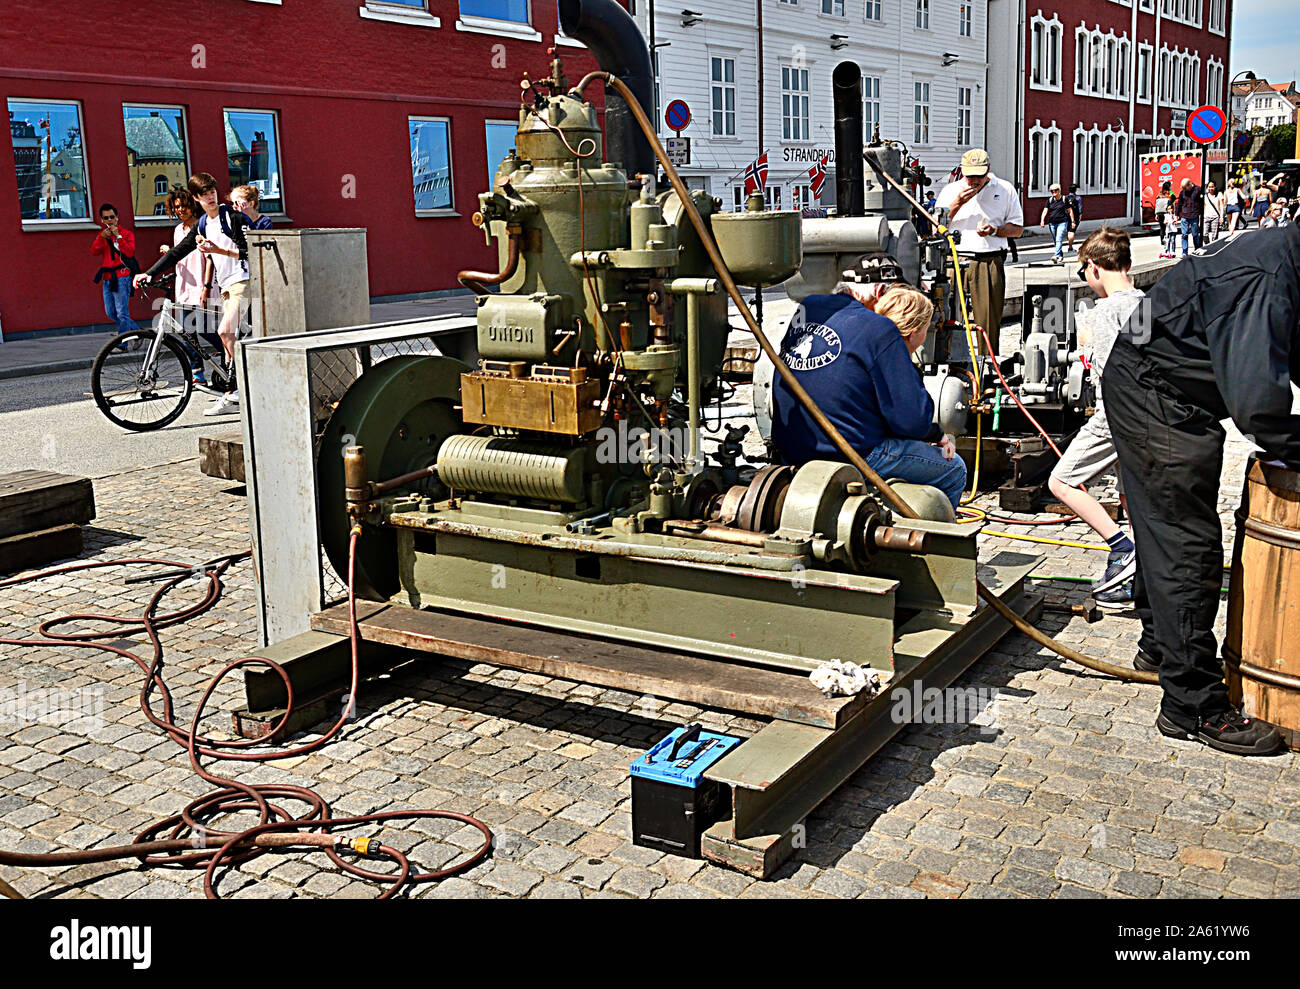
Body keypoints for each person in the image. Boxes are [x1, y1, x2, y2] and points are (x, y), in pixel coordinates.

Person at [1102, 226, 1300, 757]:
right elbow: (1259, 407)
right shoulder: (1269, 276)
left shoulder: (1282, 253)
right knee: (1185, 543)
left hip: (1151, 373)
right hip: (1155, 391)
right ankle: (1193, 706)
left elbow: (1284, 344)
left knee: (1163, 529)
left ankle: (1157, 645)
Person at [771, 284, 967, 509]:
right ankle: (934, 537)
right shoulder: (881, 330)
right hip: (851, 455)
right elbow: (912, 420)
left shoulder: (810, 307)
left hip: (791, 447)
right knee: (954, 471)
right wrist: (935, 433)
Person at [1046, 228, 1144, 609]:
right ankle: (1137, 569)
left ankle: (1121, 548)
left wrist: (1086, 346)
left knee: (1063, 482)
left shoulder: (1103, 313)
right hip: (1143, 416)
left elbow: (1107, 373)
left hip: (1113, 414)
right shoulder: (1144, 303)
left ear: (1093, 268)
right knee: (1128, 491)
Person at [137, 172, 254, 416]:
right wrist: (149, 273)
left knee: (224, 331)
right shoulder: (203, 225)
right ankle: (234, 391)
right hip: (225, 286)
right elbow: (177, 252)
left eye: (212, 192)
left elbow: (250, 252)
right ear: (196, 198)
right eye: (204, 194)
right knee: (227, 338)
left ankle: (240, 390)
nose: (210, 197)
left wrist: (218, 250)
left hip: (243, 281)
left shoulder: (233, 217)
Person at [935, 149, 1024, 354]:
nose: (974, 180)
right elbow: (935, 225)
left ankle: (987, 364)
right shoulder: (951, 190)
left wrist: (995, 230)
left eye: (979, 175)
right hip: (954, 258)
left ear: (988, 170)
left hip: (988, 260)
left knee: (988, 319)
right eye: (969, 175)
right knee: (946, 316)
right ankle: (949, 362)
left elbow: (1017, 229)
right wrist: (958, 203)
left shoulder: (1004, 189)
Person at [161, 184, 216, 391]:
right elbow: (180, 253)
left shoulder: (202, 227)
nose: (180, 210)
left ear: (192, 205)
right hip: (184, 286)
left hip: (202, 286)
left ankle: (232, 363)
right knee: (186, 332)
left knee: (207, 330)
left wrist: (206, 287)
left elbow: (209, 258)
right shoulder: (178, 230)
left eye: (183, 205)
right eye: (176, 207)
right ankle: (198, 375)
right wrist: (170, 251)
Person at [90, 203, 142, 338]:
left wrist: (118, 236)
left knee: (122, 312)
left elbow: (129, 252)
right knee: (110, 312)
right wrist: (101, 237)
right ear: (102, 220)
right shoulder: (103, 235)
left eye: (112, 217)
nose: (109, 221)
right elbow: (94, 251)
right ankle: (137, 332)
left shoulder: (126, 234)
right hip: (108, 277)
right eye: (106, 218)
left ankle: (122, 341)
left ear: (117, 217)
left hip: (122, 276)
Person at [1040, 183, 1075, 264]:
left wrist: (1072, 221)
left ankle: (1056, 255)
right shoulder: (1049, 200)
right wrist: (1042, 220)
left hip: (1062, 222)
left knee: (1058, 239)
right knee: (1056, 241)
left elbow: (1070, 211)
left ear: (1059, 190)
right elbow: (1045, 211)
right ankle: (1060, 255)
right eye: (1052, 191)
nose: (1054, 192)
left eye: (1055, 190)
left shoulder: (1064, 199)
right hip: (1052, 223)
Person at [1175, 177, 1204, 254]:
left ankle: (1197, 249)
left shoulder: (1198, 190)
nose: (1184, 189)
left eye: (1185, 187)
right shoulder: (1182, 192)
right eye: (1183, 188)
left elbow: (1202, 203)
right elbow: (1179, 203)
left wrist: (1201, 214)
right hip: (1185, 216)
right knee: (1184, 234)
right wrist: (1176, 214)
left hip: (1194, 215)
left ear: (1189, 184)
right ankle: (1184, 252)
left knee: (1195, 234)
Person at [1064, 183, 1083, 254]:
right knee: (1072, 231)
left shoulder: (1065, 198)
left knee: (1069, 230)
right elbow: (1080, 209)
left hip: (1066, 216)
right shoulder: (1078, 198)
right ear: (1075, 190)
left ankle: (1070, 243)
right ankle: (1070, 247)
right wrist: (1079, 218)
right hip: (1075, 216)